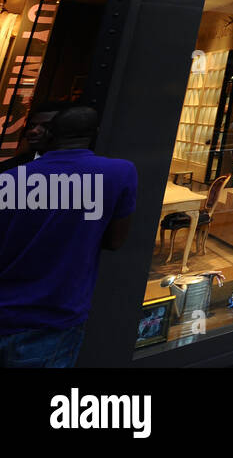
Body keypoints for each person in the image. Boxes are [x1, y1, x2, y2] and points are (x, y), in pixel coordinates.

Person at [0, 107, 138, 367]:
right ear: (94, 134)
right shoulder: (119, 173)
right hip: (54, 317)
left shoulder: (9, 178)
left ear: (51, 134)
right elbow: (115, 241)